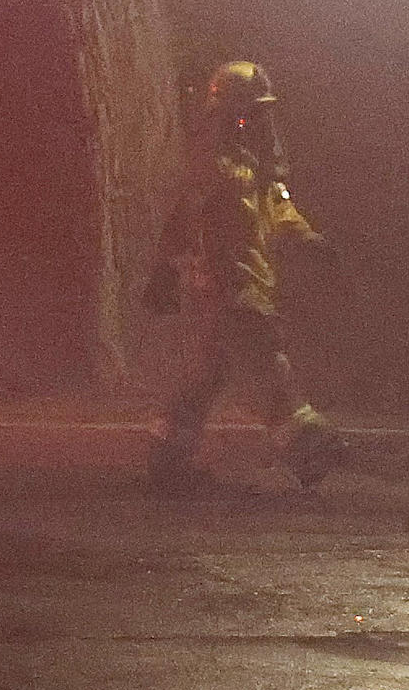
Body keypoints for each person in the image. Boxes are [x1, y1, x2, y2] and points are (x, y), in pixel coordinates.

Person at [143, 59, 343, 491]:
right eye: (249, 111)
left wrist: (308, 239)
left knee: (204, 377)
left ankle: (167, 458)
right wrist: (166, 271)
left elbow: (277, 205)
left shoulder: (251, 166)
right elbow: (183, 220)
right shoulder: (213, 167)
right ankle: (308, 447)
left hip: (234, 287)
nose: (257, 121)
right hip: (230, 289)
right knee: (269, 367)